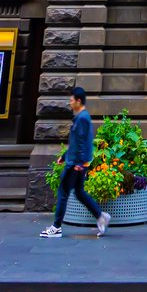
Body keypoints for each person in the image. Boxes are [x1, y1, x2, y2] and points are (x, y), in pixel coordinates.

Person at [41, 86, 110, 238]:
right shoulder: (81, 117)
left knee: (63, 192)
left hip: (75, 164)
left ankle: (56, 227)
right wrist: (65, 156)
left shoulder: (83, 118)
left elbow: (84, 143)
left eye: (72, 100)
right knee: (79, 192)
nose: (70, 103)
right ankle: (101, 217)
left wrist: (78, 163)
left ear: (78, 101)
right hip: (76, 162)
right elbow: (76, 142)